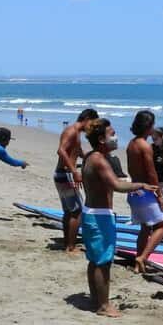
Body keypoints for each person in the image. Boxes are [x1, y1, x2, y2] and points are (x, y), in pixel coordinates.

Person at [81, 119, 158, 317]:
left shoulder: (91, 156)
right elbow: (116, 185)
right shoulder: (98, 159)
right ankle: (103, 305)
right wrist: (140, 185)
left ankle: (95, 298)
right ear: (101, 139)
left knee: (95, 260)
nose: (115, 137)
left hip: (91, 213)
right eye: (111, 133)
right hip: (99, 217)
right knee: (103, 262)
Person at [126, 110, 163, 273]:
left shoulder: (131, 143)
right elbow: (151, 173)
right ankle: (143, 257)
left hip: (134, 191)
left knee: (145, 228)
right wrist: (159, 195)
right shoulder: (145, 146)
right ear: (148, 127)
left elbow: (131, 168)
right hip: (145, 193)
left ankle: (138, 265)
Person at [54, 108, 99, 253]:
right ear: (87, 120)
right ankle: (70, 246)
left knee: (69, 211)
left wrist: (91, 158)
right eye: (92, 124)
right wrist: (74, 171)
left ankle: (67, 243)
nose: (91, 128)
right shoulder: (72, 131)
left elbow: (78, 152)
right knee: (77, 212)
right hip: (66, 174)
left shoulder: (75, 133)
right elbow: (61, 151)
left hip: (62, 174)